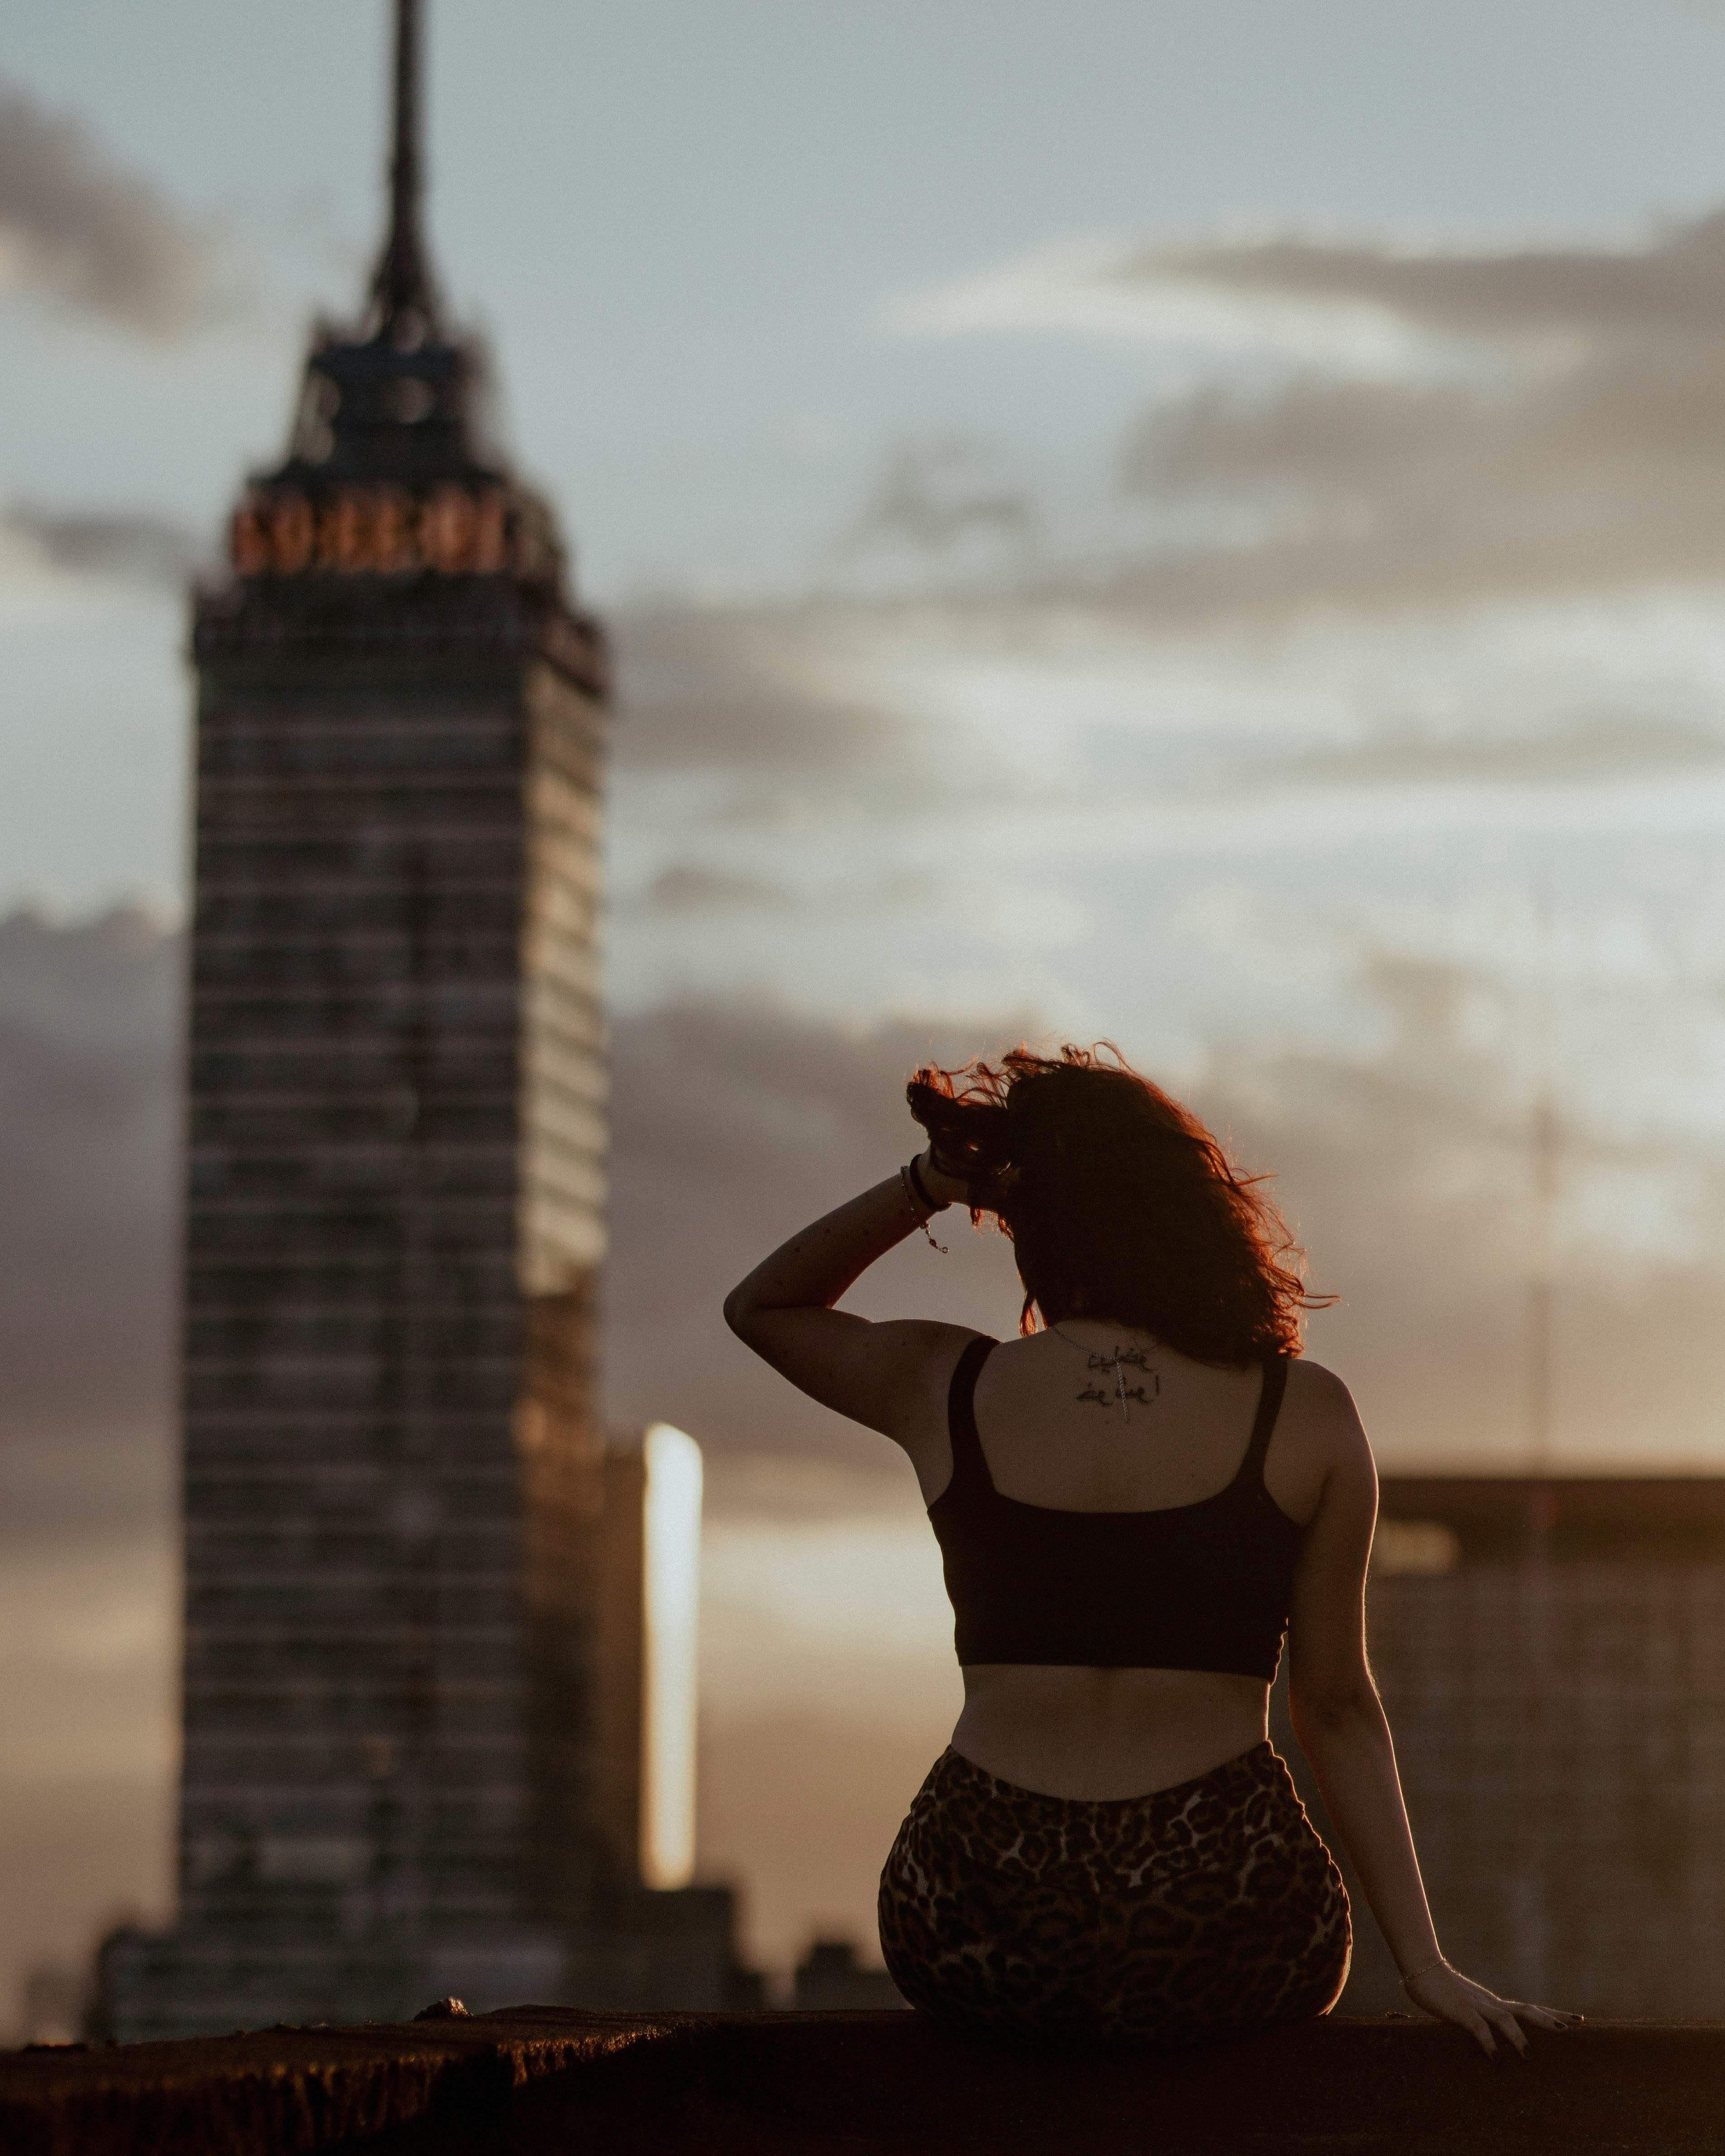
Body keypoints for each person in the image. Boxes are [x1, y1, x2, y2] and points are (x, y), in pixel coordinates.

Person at [724, 1043, 1581, 2055]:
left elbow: (763, 1307)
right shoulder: (1299, 1414)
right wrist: (1424, 1964)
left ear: (1026, 1220)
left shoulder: (944, 1384)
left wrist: (929, 1184)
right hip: (1220, 1912)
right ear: (1191, 1210)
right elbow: (1335, 1706)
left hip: (980, 1907)